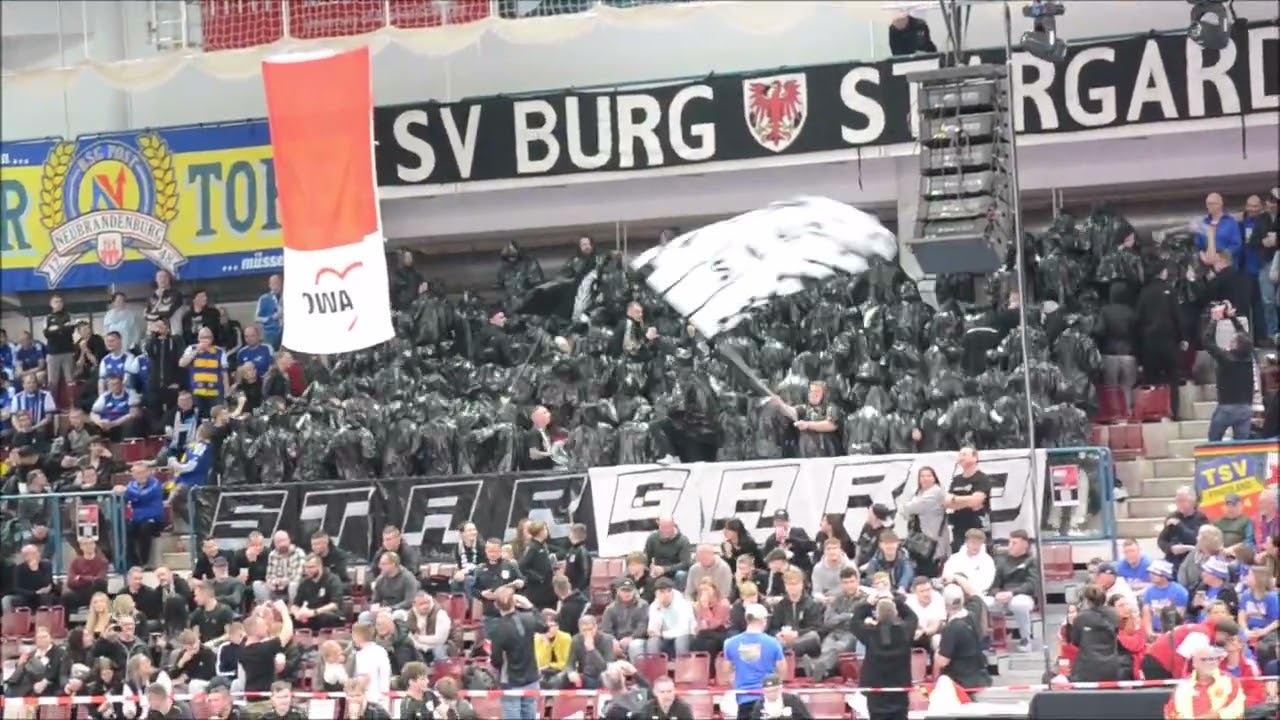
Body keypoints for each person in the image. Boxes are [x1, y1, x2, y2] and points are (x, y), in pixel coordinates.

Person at [852, 595, 917, 720]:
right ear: (896, 613)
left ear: (877, 615)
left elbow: (855, 622)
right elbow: (912, 616)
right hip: (899, 691)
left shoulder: (870, 633)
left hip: (875, 693)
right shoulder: (906, 631)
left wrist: (868, 604)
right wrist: (895, 600)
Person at [488, 587, 544, 720]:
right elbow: (544, 625)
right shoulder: (529, 618)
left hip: (511, 681)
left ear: (496, 605)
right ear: (515, 602)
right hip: (531, 676)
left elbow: (496, 659)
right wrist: (531, 606)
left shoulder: (498, 629)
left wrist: (498, 669)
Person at [1202, 301, 1256, 441]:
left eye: (1232, 341)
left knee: (1213, 441)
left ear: (1235, 345)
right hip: (1245, 408)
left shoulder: (1225, 358)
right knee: (1241, 445)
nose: (1230, 342)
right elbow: (1246, 338)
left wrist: (1214, 320)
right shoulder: (1249, 358)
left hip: (1227, 407)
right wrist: (1232, 317)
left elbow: (1207, 341)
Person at [723, 604, 787, 720]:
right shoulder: (773, 643)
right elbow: (782, 670)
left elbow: (726, 672)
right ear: (764, 620)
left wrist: (736, 682)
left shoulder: (730, 643)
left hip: (742, 698)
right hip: (767, 699)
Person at [985, 529, 1042, 652]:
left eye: (1014, 543)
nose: (1010, 546)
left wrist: (1012, 593)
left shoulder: (1031, 561)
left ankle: (1026, 639)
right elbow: (994, 584)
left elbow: (1031, 585)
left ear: (1025, 545)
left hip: (1023, 596)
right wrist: (997, 594)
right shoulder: (1001, 560)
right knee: (983, 603)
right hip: (1002, 597)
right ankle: (986, 640)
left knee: (1018, 603)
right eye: (1009, 542)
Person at [1163, 642, 1246, 719]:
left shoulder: (1230, 681)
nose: (1210, 662)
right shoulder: (1183, 687)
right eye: (1204, 659)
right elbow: (1171, 712)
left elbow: (1237, 710)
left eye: (1213, 659)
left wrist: (1213, 716)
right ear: (1194, 663)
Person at [935, 583, 991, 693]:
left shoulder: (951, 629)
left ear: (944, 603)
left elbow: (942, 662)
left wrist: (937, 651)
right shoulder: (973, 613)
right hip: (979, 675)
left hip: (960, 682)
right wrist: (957, 577)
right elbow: (975, 594)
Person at [1067, 584, 1121, 682]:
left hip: (1086, 669)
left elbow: (1075, 641)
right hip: (1112, 667)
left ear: (1086, 600)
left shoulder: (1081, 618)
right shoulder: (1115, 614)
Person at [945, 447, 991, 553]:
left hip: (977, 528)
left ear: (975, 458)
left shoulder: (982, 478)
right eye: (960, 455)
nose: (961, 457)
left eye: (964, 454)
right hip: (959, 529)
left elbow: (976, 501)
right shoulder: (956, 479)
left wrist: (956, 500)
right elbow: (947, 502)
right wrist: (967, 501)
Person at [746, 674, 814, 720]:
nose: (771, 694)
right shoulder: (759, 705)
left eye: (774, 690)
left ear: (780, 689)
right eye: (768, 692)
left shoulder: (793, 700)